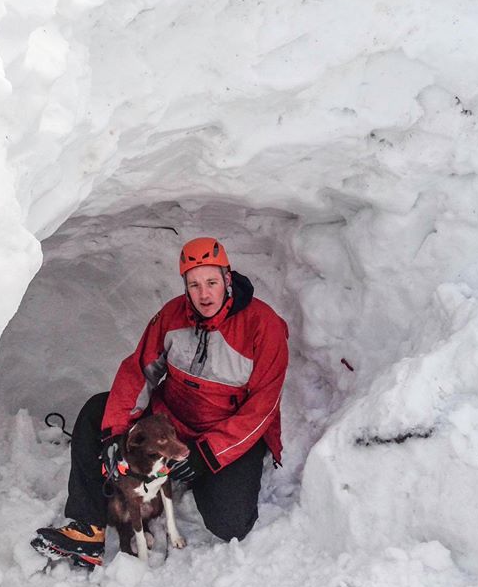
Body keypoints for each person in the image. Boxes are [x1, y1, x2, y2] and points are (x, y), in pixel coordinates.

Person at [31, 236, 289, 567]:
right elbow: (139, 372)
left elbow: (263, 408)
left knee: (231, 524)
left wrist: (206, 455)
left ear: (227, 279)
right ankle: (88, 529)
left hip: (227, 435)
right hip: (172, 424)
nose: (204, 294)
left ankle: (193, 477)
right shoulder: (173, 315)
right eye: (194, 285)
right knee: (98, 411)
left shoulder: (263, 326)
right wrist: (115, 434)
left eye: (211, 282)